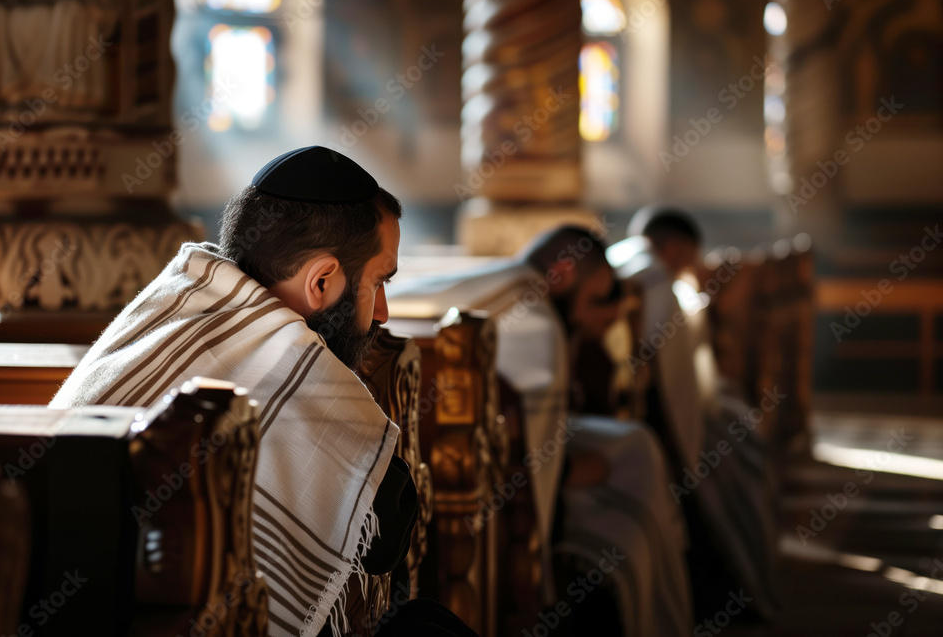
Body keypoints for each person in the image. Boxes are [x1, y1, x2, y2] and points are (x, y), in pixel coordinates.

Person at [51, 146, 476, 637]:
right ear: (322, 280)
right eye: (378, 282)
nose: (382, 312)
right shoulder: (302, 375)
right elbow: (385, 535)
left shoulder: (170, 302)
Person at [388, 224, 694, 636]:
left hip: (436, 464)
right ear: (564, 272)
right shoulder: (538, 321)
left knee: (629, 450)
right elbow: (531, 463)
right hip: (483, 501)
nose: (589, 316)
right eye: (594, 300)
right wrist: (568, 473)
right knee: (631, 481)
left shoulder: (502, 285)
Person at [613, 206, 779, 622]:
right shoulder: (656, 283)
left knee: (738, 432)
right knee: (744, 451)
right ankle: (731, 591)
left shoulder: (627, 262)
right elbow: (671, 389)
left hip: (639, 414)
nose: (693, 265)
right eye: (690, 255)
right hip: (654, 425)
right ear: (674, 246)